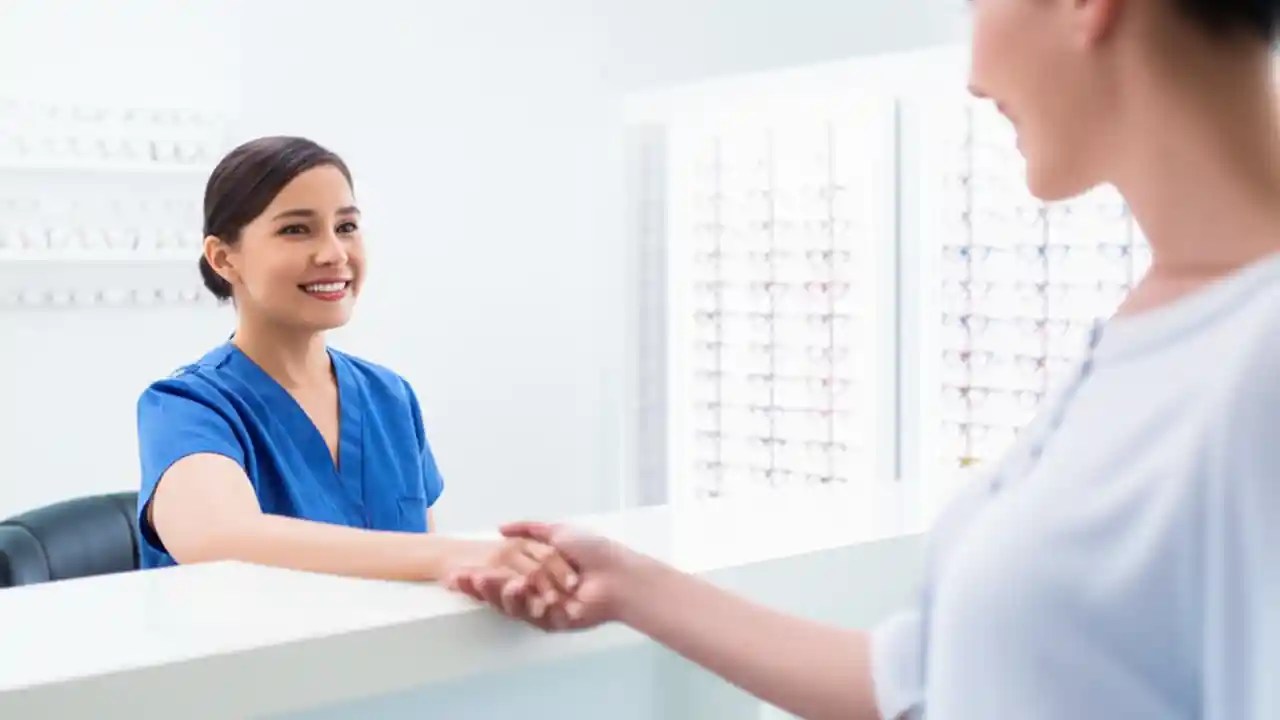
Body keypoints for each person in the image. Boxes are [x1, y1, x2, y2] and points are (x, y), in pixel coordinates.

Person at [448, 0, 1280, 717]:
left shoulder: (1255, 361)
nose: (973, 73)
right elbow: (927, 689)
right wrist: (631, 586)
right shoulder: (1160, 327)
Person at [136, 136, 574, 607]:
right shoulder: (186, 407)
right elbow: (218, 538)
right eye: (296, 230)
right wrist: (454, 553)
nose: (334, 253)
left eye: (346, 226)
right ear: (224, 258)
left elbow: (414, 572)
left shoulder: (389, 398)